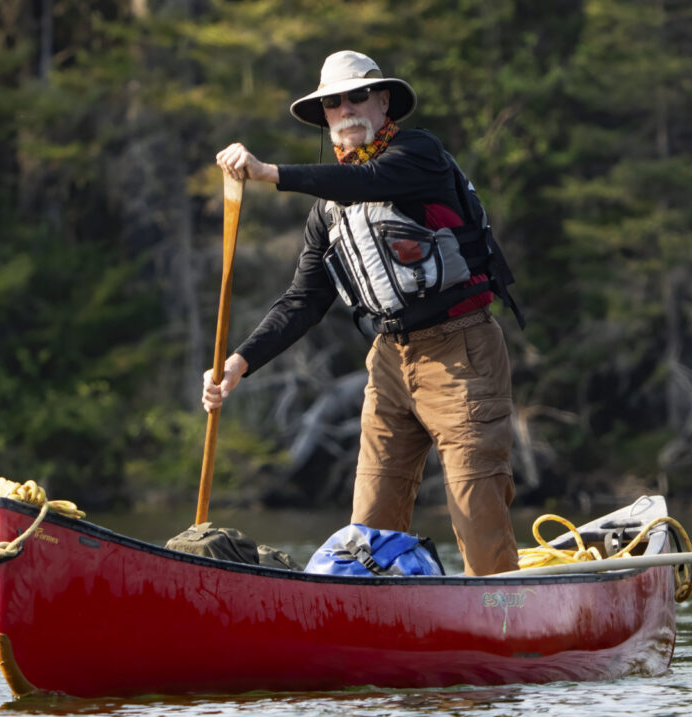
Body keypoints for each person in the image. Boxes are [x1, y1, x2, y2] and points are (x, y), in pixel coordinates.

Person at [203, 51, 519, 576]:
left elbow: (369, 182)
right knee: (368, 533)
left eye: (356, 96)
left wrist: (267, 172)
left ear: (383, 100)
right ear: (324, 115)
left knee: (475, 508)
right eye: (333, 102)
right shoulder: (326, 211)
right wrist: (238, 363)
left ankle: (504, 615)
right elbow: (302, 301)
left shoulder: (419, 155)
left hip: (462, 352)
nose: (345, 108)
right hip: (390, 363)